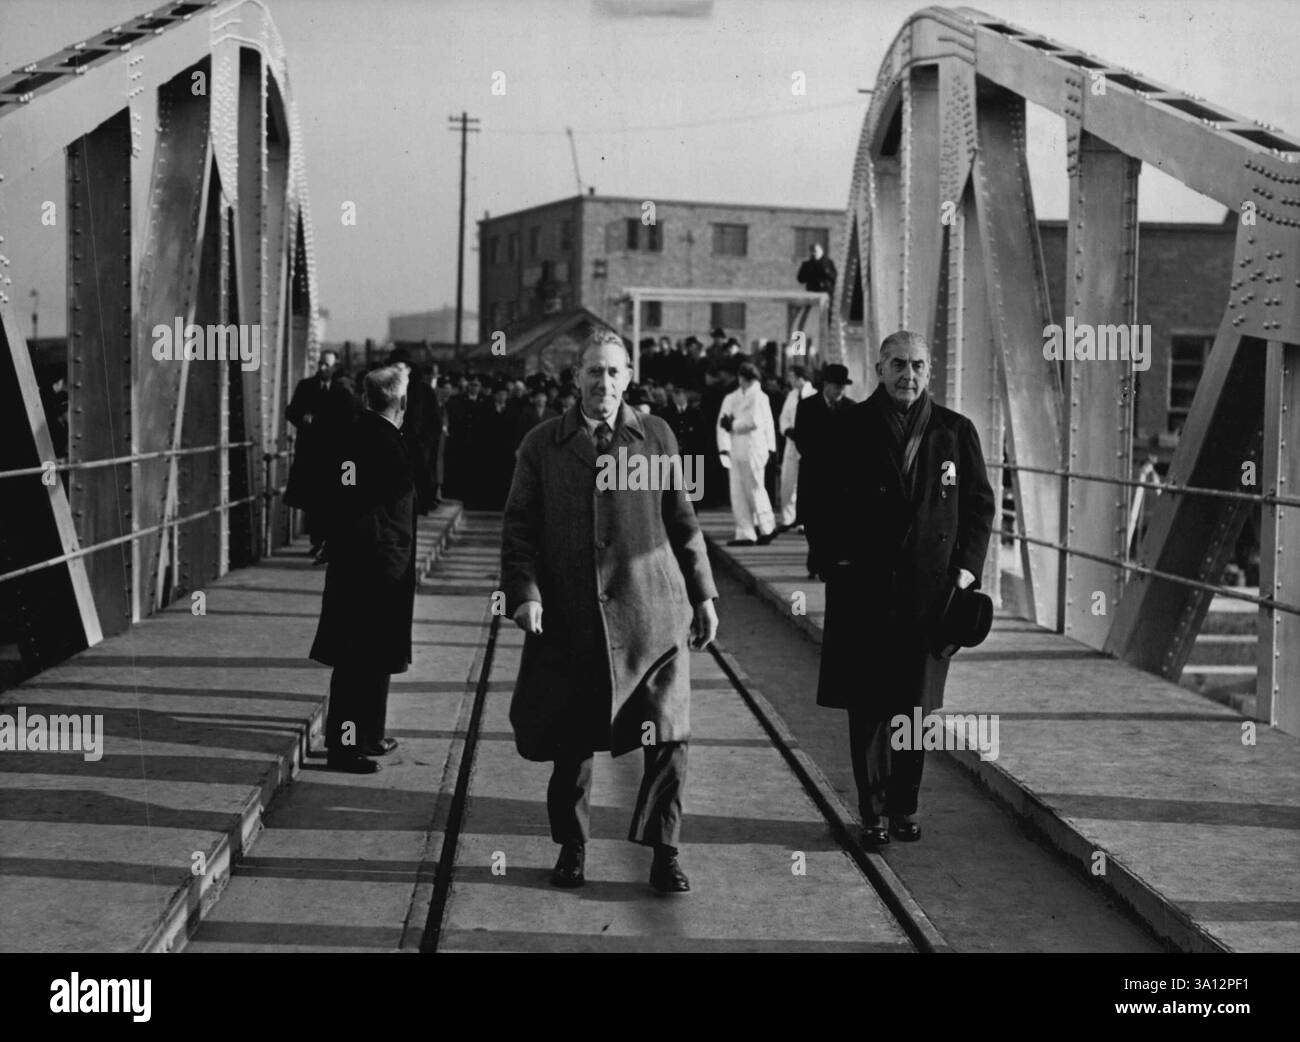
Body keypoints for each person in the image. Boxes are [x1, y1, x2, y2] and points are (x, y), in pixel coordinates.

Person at [501, 327, 719, 894]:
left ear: (629, 377)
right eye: (593, 371)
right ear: (576, 378)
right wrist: (524, 594)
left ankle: (663, 852)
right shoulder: (543, 444)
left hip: (655, 613)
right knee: (572, 740)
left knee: (669, 736)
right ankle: (572, 849)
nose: (604, 382)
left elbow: (682, 518)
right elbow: (519, 529)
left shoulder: (657, 437)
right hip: (572, 616)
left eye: (614, 371)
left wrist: (704, 594)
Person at [816, 331, 994, 846]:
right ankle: (871, 813)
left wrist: (965, 571)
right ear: (878, 367)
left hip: (930, 593)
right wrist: (835, 560)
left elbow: (979, 506)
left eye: (917, 365)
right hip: (863, 589)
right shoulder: (849, 425)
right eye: (897, 364)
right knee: (868, 705)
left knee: (913, 707)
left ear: (929, 370)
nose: (907, 374)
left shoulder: (954, 431)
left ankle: (903, 808)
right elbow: (819, 494)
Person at [309, 366, 418, 774]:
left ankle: (369, 734)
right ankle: (346, 748)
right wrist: (383, 561)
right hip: (375, 573)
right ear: (402, 402)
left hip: (367, 568)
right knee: (359, 663)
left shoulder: (360, 435)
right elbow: (369, 514)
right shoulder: (384, 442)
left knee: (371, 659)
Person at [285, 349, 356, 557]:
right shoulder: (306, 387)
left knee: (330, 500)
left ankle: (327, 541)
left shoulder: (342, 392)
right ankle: (317, 541)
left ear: (334, 367)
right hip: (310, 453)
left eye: (327, 365)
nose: (322, 368)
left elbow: (349, 421)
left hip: (333, 454)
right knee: (313, 500)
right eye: (321, 364)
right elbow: (290, 411)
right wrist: (301, 419)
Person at [795, 362, 853, 579]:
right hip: (814, 473)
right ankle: (817, 559)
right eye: (837, 386)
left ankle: (826, 563)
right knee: (813, 520)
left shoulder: (851, 408)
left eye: (843, 386)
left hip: (840, 478)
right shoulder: (807, 407)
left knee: (835, 521)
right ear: (826, 385)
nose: (840, 390)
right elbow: (801, 439)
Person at [717, 361, 778, 547]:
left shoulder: (759, 397)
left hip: (753, 449)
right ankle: (745, 532)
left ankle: (767, 526)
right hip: (737, 449)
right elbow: (722, 422)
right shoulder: (732, 397)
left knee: (755, 489)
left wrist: (733, 424)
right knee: (737, 492)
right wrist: (724, 446)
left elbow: (755, 422)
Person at [776, 365, 816, 530]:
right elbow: (784, 416)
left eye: (793, 377)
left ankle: (805, 521)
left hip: (808, 445)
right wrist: (786, 430)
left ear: (801, 378)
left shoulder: (814, 395)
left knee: (806, 484)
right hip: (791, 443)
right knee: (787, 482)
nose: (790, 380)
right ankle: (788, 518)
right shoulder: (792, 395)